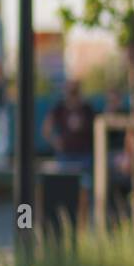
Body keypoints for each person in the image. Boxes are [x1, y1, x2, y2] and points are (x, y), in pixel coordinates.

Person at [42, 80, 96, 229]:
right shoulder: (59, 108)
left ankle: (82, 227)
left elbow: (97, 128)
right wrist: (55, 141)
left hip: (84, 156)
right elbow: (46, 128)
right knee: (63, 192)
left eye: (75, 92)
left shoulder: (87, 109)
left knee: (84, 191)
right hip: (65, 157)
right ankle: (62, 225)